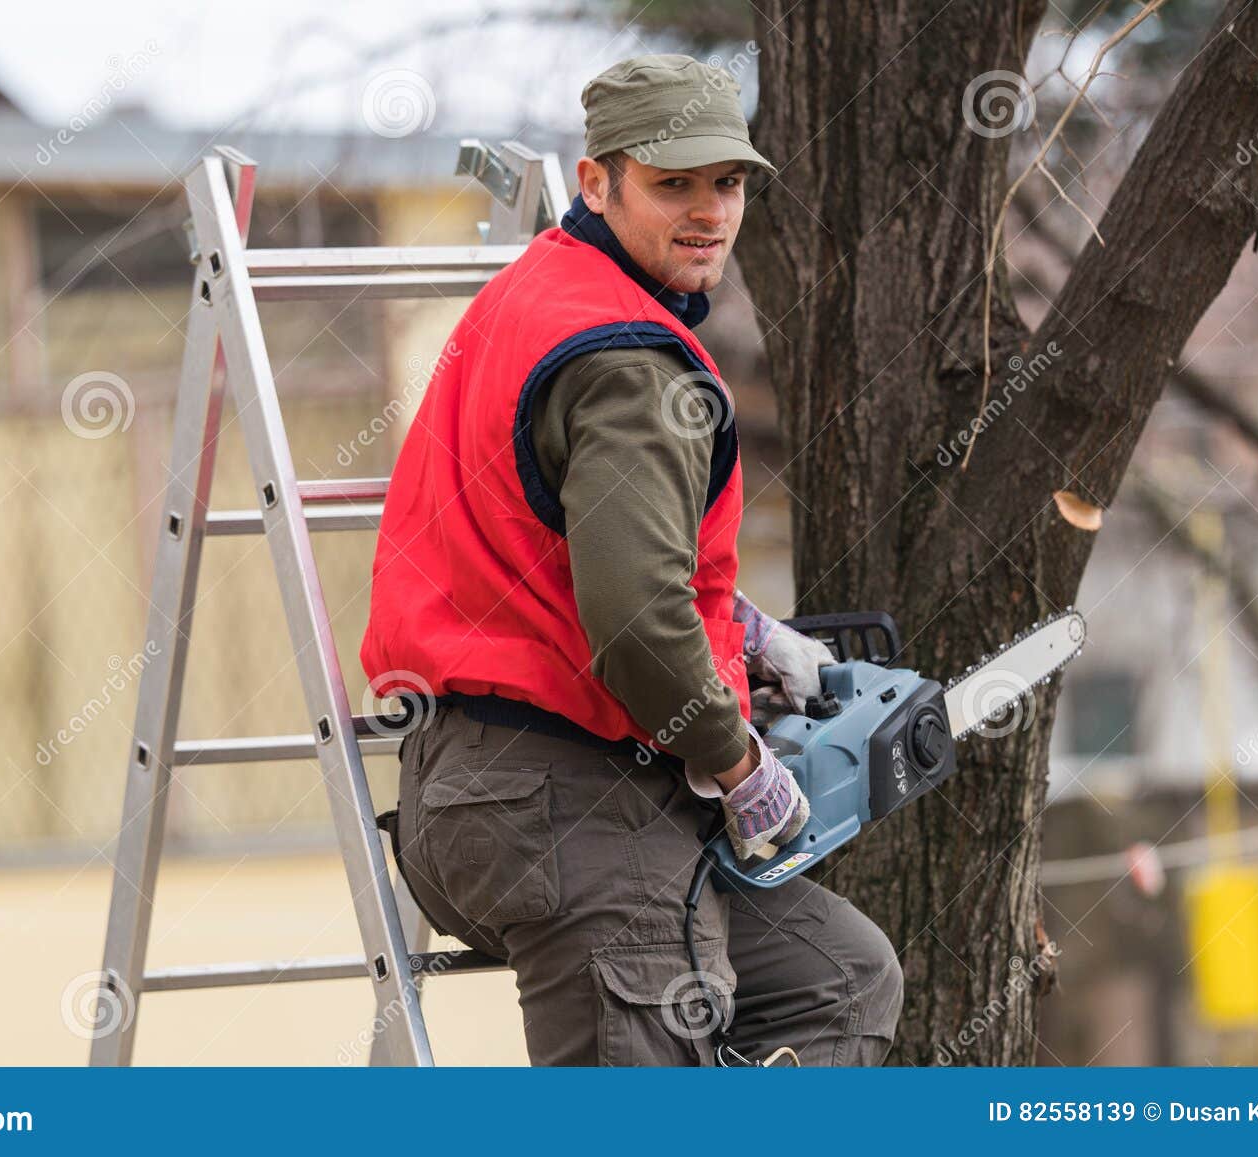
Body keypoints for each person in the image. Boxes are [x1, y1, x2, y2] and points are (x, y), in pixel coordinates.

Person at [360, 53, 903, 1066]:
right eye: (673, 184)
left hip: (483, 793)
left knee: (842, 976)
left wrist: (739, 633)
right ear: (595, 181)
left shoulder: (535, 294)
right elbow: (638, 617)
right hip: (564, 806)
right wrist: (738, 763)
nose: (708, 212)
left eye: (727, 183)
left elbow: (562, 543)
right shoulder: (629, 362)